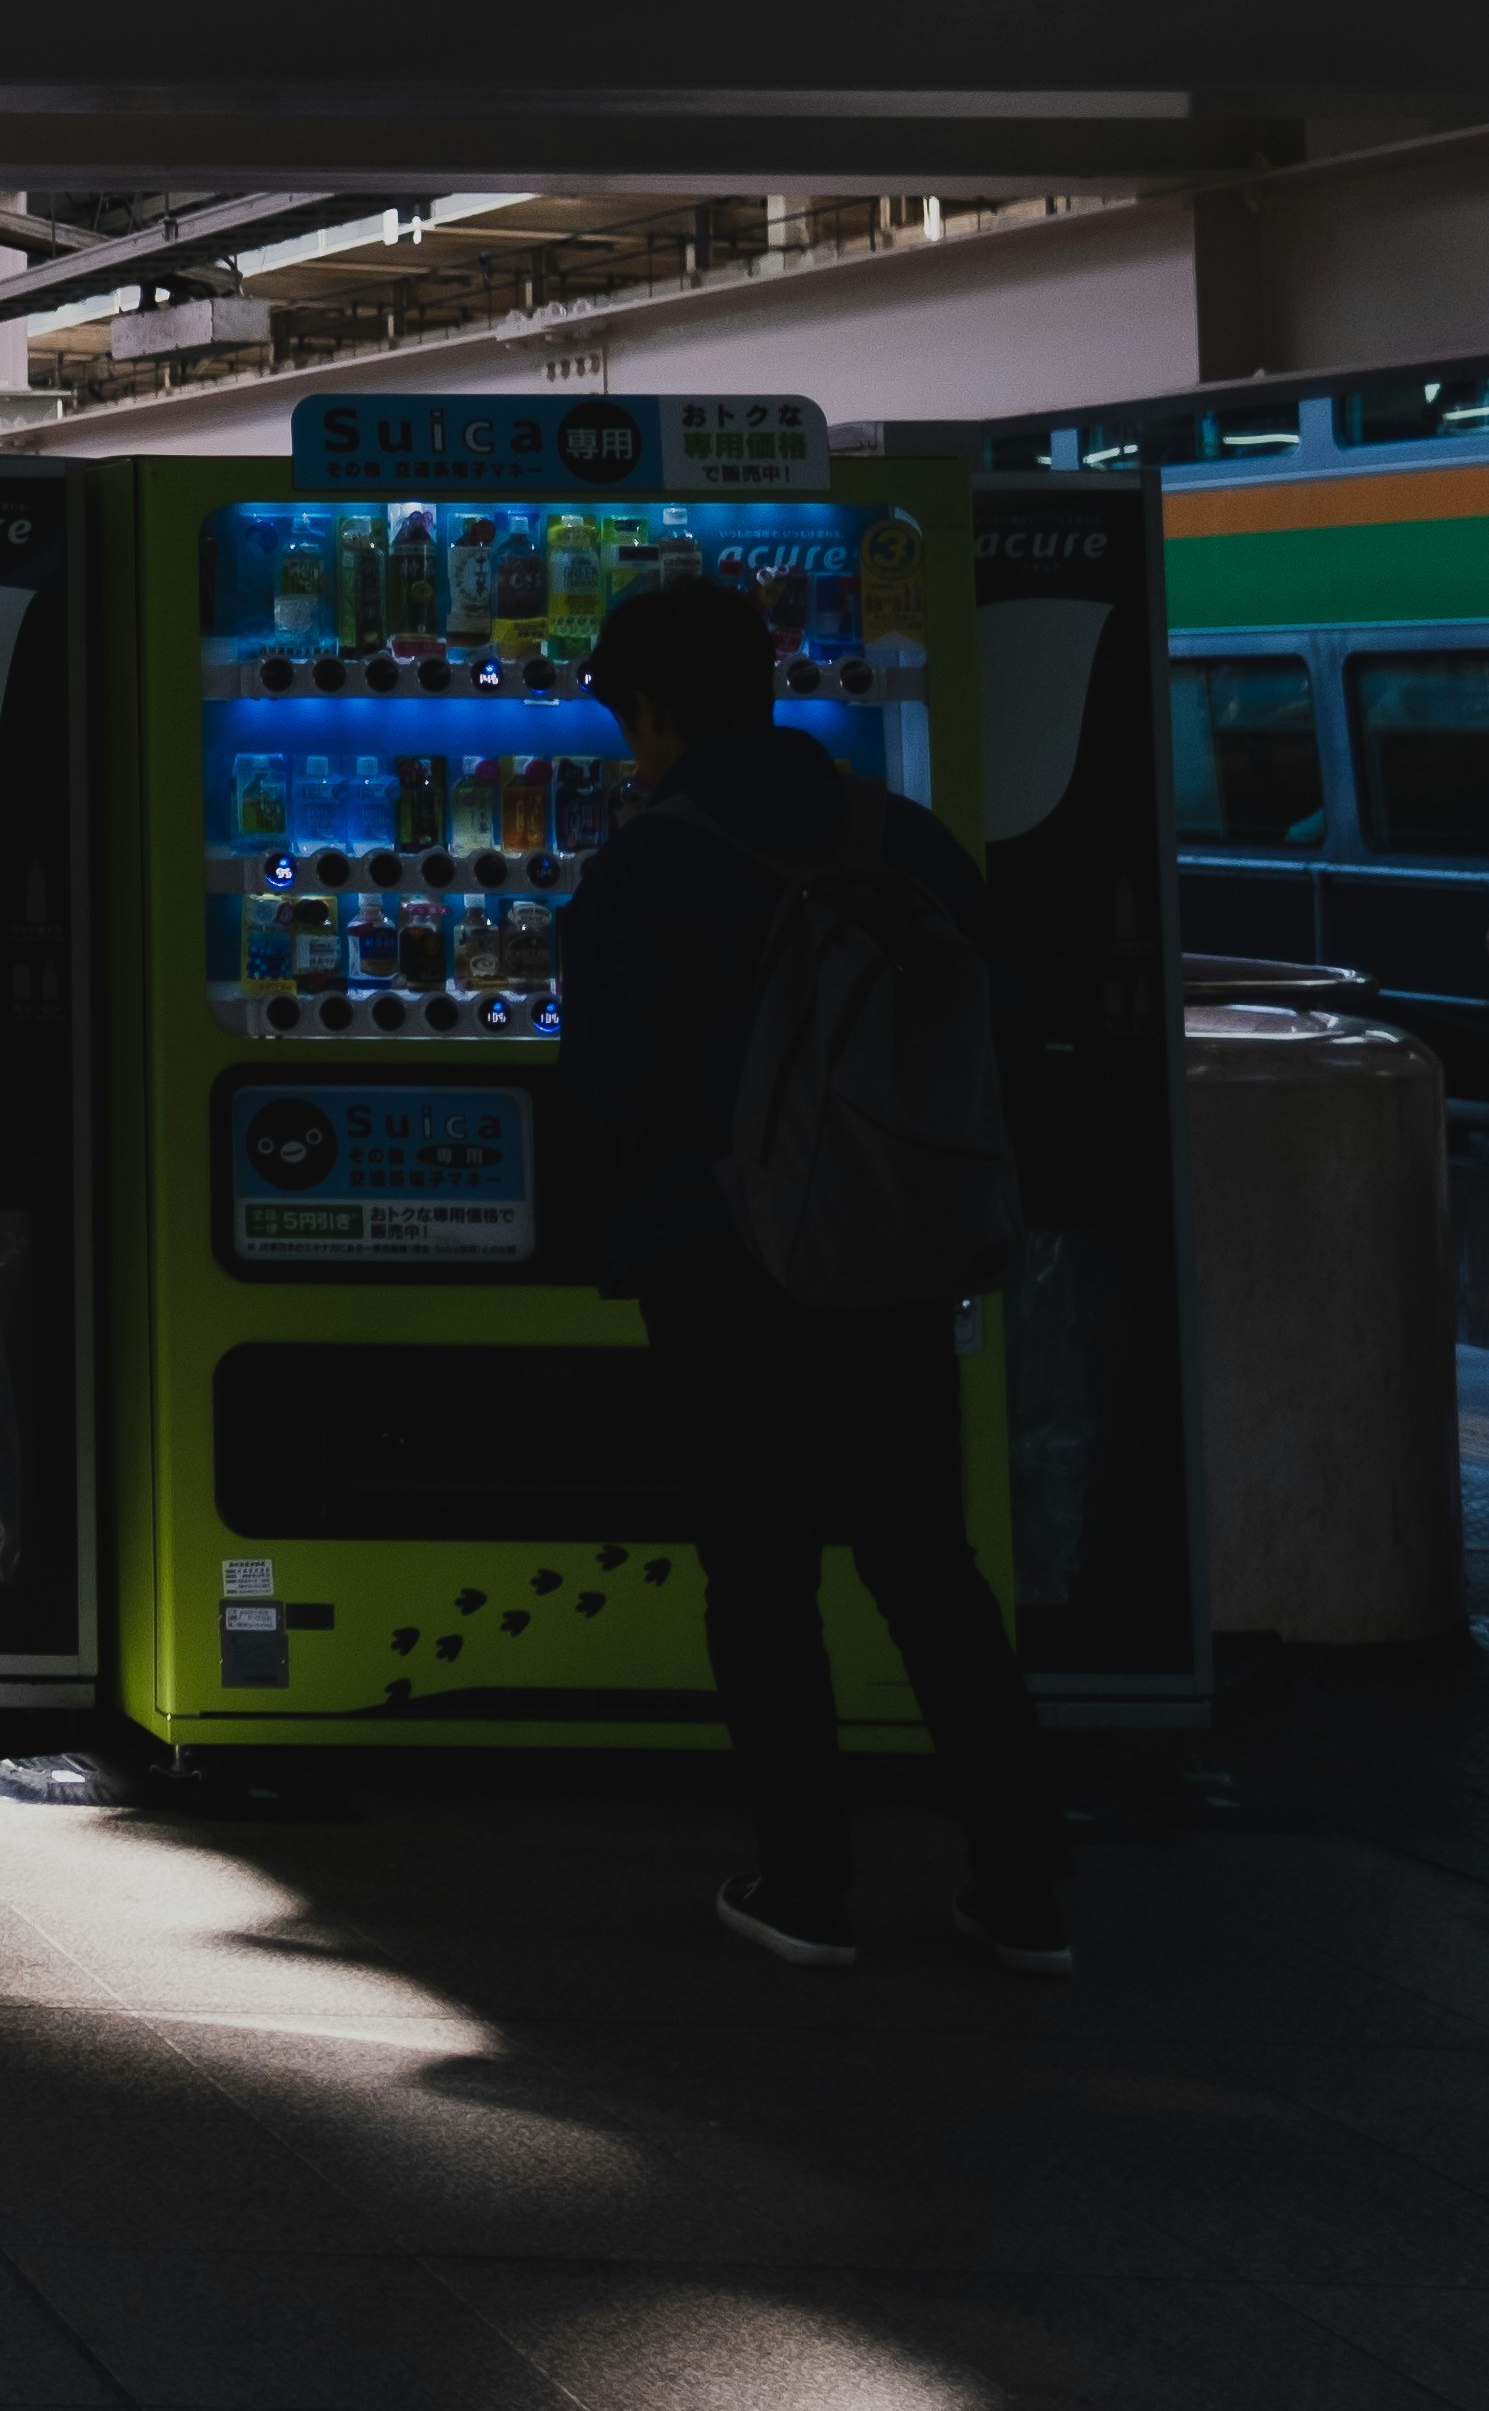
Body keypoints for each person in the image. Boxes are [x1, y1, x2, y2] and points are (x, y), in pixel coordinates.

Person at [557, 569, 1072, 1978]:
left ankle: (805, 1882)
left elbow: (606, 1083)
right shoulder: (901, 835)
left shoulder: (647, 860)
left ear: (653, 708)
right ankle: (1021, 1885)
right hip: (896, 1254)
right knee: (928, 1566)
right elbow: (993, 1042)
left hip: (721, 1265)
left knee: (761, 1570)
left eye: (629, 721)